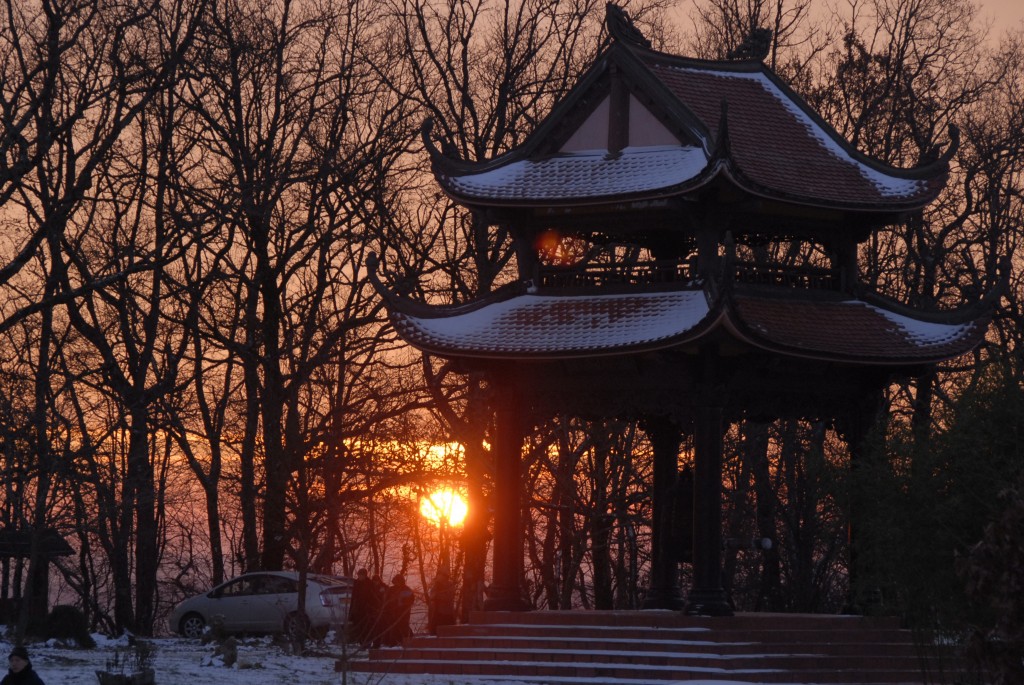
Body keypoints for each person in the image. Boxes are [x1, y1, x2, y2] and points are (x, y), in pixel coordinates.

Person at [382, 573, 414, 647]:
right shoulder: (391, 590)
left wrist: (403, 603)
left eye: (398, 581)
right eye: (396, 581)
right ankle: (393, 643)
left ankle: (410, 639)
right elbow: (386, 600)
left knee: (404, 626)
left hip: (403, 612)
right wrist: (387, 609)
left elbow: (411, 600)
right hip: (392, 612)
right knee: (393, 627)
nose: (397, 583)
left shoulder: (406, 589)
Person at [348, 568, 377, 646]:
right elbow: (353, 597)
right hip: (357, 609)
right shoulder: (356, 583)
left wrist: (371, 609)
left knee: (366, 627)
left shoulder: (370, 584)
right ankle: (361, 642)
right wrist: (351, 611)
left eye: (361, 575)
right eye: (358, 575)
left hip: (366, 610)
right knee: (359, 627)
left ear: (364, 575)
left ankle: (367, 643)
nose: (359, 577)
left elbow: (373, 598)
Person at [427, 568, 456, 635]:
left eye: (440, 575)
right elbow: (432, 596)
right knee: (434, 633)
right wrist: (437, 594)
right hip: (437, 613)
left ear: (445, 576)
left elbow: (448, 597)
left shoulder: (450, 585)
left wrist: (438, 595)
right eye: (439, 575)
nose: (439, 576)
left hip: (447, 614)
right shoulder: (436, 586)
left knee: (449, 633)